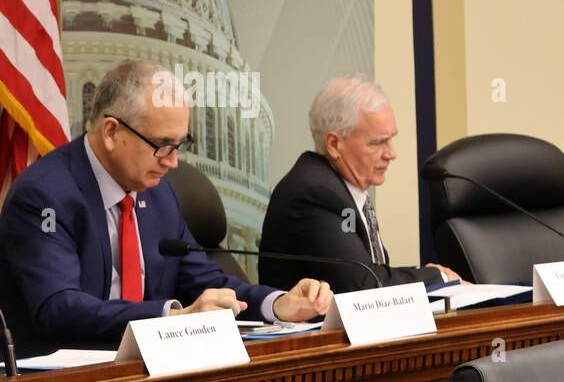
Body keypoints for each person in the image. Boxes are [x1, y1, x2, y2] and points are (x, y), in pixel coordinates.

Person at [0, 60, 332, 356]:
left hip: (147, 374)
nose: (173, 162)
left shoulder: (160, 197)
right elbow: (59, 309)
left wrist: (277, 304)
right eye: (162, 145)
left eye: (180, 145)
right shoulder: (45, 196)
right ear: (112, 131)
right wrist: (172, 318)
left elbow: (206, 283)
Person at [259, 75, 459, 293]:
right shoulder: (314, 194)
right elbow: (364, 285)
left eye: (391, 138)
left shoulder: (341, 188)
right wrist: (439, 277)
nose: (392, 153)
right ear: (334, 144)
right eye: (378, 142)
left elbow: (372, 275)